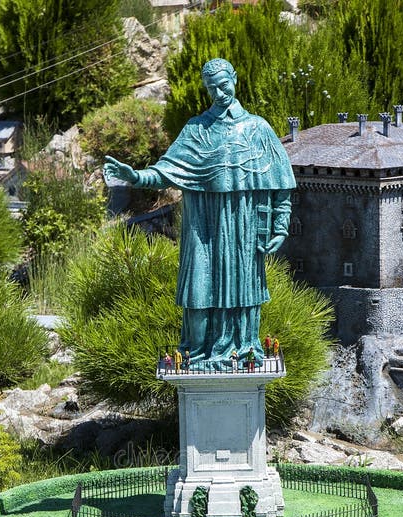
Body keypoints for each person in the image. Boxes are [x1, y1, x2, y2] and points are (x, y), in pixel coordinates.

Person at [103, 58, 295, 364]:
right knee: (198, 289)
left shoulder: (258, 129)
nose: (219, 93)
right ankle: (200, 349)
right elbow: (165, 172)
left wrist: (280, 226)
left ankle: (243, 347)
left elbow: (281, 184)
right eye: (211, 87)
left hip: (244, 225)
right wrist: (135, 177)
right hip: (202, 226)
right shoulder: (196, 130)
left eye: (224, 84)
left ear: (235, 78)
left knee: (244, 288)